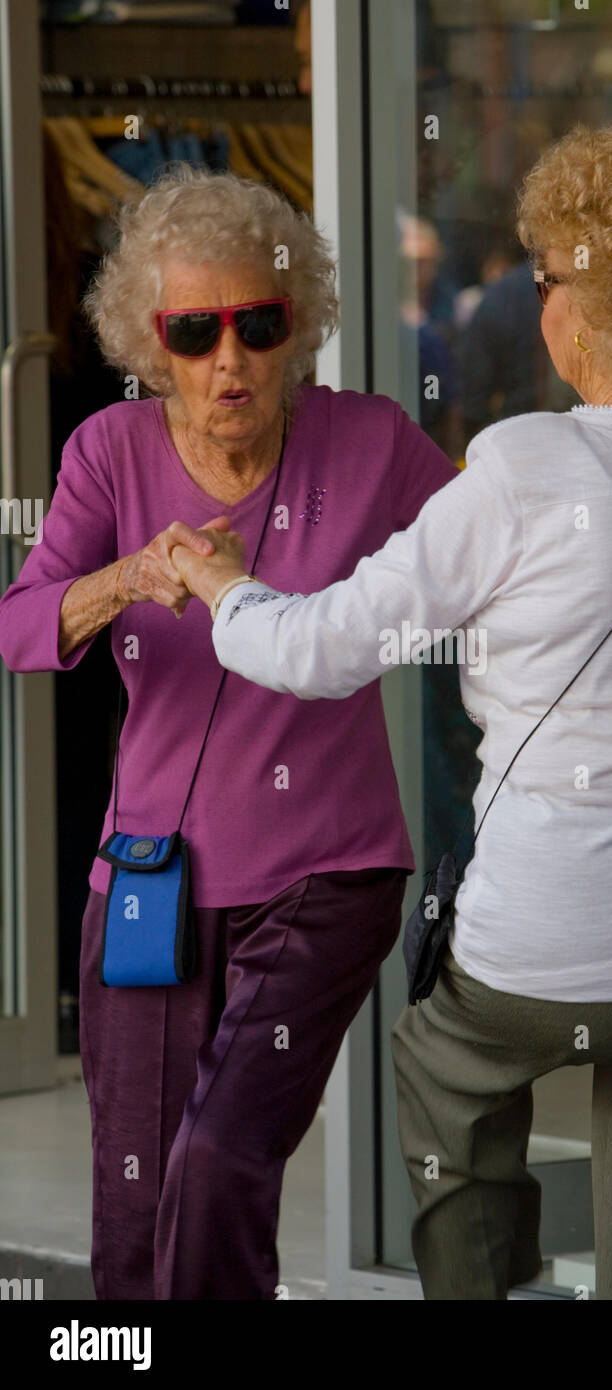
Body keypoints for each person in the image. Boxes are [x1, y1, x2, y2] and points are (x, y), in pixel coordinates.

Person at [167, 121, 612, 1300]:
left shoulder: (520, 465)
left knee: (445, 1068)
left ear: (588, 307)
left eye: (547, 280)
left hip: (553, 944)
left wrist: (226, 589)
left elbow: (326, 648)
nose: (537, 305)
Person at [0, 164, 456, 1300]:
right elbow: (19, 626)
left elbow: (494, 568)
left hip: (327, 873)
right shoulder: (108, 452)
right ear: (151, 344)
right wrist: (127, 577)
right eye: (194, 333)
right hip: (148, 880)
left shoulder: (372, 443)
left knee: (217, 1157)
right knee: (135, 1192)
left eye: (259, 325)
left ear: (296, 326)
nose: (229, 361)